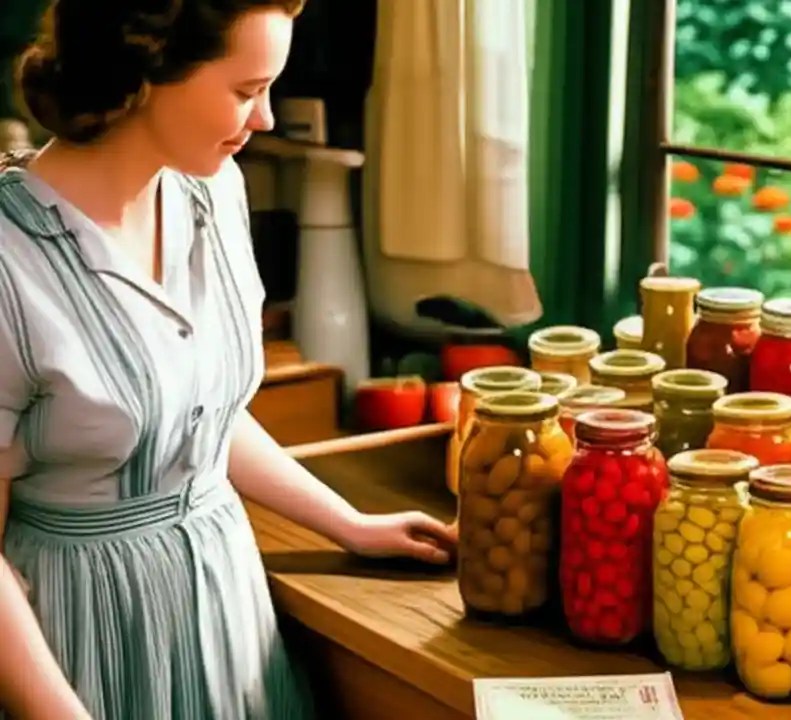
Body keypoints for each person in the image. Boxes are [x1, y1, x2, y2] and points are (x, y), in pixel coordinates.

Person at [0, 1, 458, 718]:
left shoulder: (214, 190)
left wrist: (348, 522)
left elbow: (200, 414)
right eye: (247, 91)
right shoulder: (9, 261)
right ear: (144, 75)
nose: (267, 117)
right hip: (82, 634)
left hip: (228, 605)